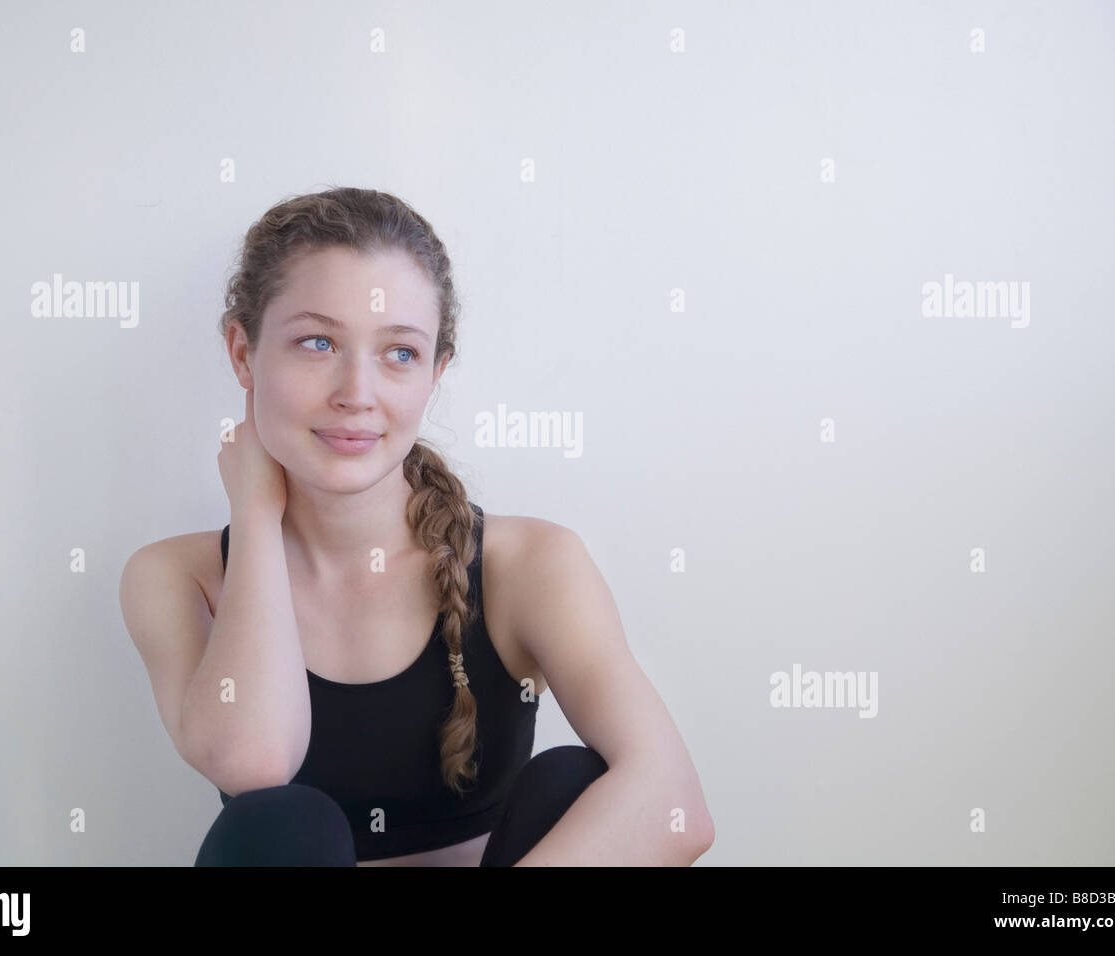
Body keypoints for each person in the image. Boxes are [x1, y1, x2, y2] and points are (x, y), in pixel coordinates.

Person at [120, 187, 714, 866]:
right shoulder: (175, 577)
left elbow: (675, 806)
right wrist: (256, 516)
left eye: (398, 353)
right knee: (282, 824)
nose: (357, 392)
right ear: (242, 352)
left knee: (578, 781)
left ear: (436, 372)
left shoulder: (532, 563)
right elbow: (253, 763)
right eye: (317, 343)